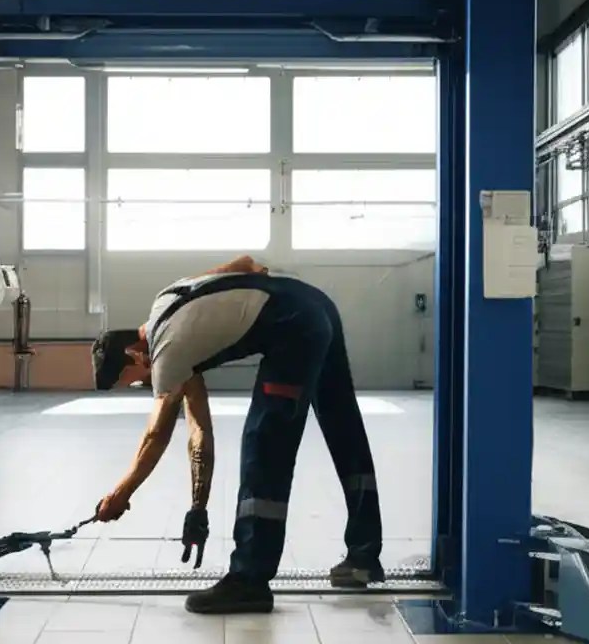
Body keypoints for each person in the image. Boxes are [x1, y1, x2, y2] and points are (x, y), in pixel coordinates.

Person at [90, 255, 384, 615]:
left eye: (136, 378)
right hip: (314, 303)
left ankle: (250, 579)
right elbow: (200, 431)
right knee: (343, 425)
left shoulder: (165, 353)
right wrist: (198, 508)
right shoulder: (166, 300)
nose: (145, 382)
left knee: (264, 443)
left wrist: (119, 494)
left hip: (294, 328)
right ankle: (364, 556)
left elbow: (156, 435)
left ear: (134, 354)